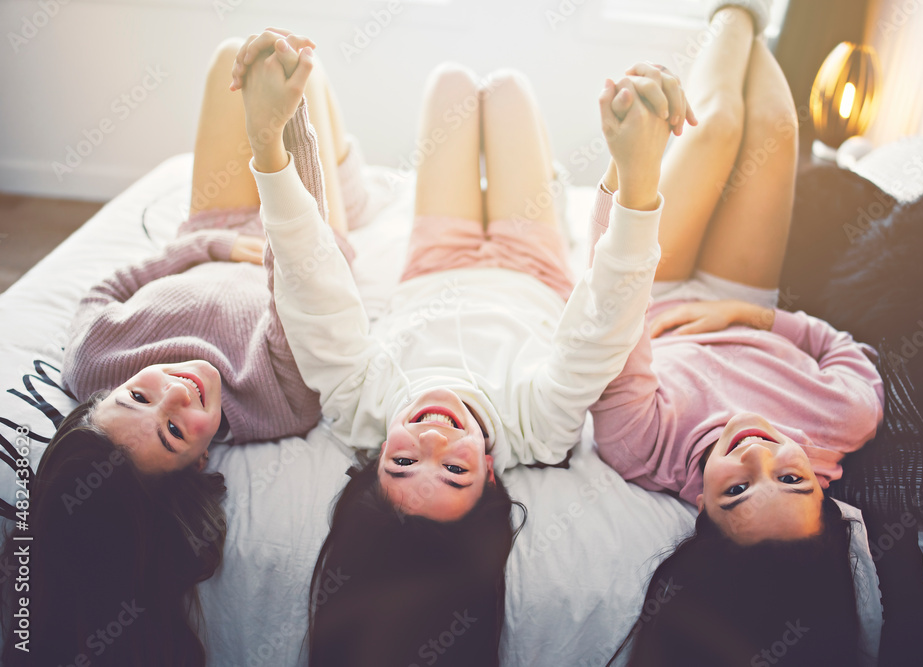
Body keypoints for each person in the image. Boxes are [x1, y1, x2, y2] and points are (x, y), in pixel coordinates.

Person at [228, 26, 693, 665]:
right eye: (454, 471)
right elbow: (605, 321)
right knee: (508, 90)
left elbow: (312, 288)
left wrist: (267, 144)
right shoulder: (538, 431)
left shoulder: (361, 409)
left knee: (449, 82)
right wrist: (637, 181)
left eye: (401, 462)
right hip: (533, 264)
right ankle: (556, 186)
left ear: (374, 460)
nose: (432, 439)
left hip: (434, 257)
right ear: (492, 480)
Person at [0, 29, 372, 666]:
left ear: (101, 396)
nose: (173, 389)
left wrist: (210, 246)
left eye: (136, 397)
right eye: (174, 431)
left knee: (235, 56)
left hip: (213, 226)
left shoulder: (95, 360)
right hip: (301, 245)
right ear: (200, 465)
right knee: (295, 78)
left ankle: (349, 178)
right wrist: (277, 138)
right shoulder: (276, 404)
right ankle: (347, 182)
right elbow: (305, 268)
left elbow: (108, 287)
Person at [590, 2, 884, 664]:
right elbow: (841, 348)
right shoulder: (844, 418)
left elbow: (610, 301)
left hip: (654, 287)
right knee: (779, 127)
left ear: (701, 508)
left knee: (720, 122)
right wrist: (751, 316)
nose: (757, 452)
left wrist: (624, 181)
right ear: (825, 490)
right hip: (744, 300)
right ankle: (751, 21)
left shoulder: (641, 445)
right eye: (792, 479)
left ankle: (734, 13)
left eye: (737, 489)